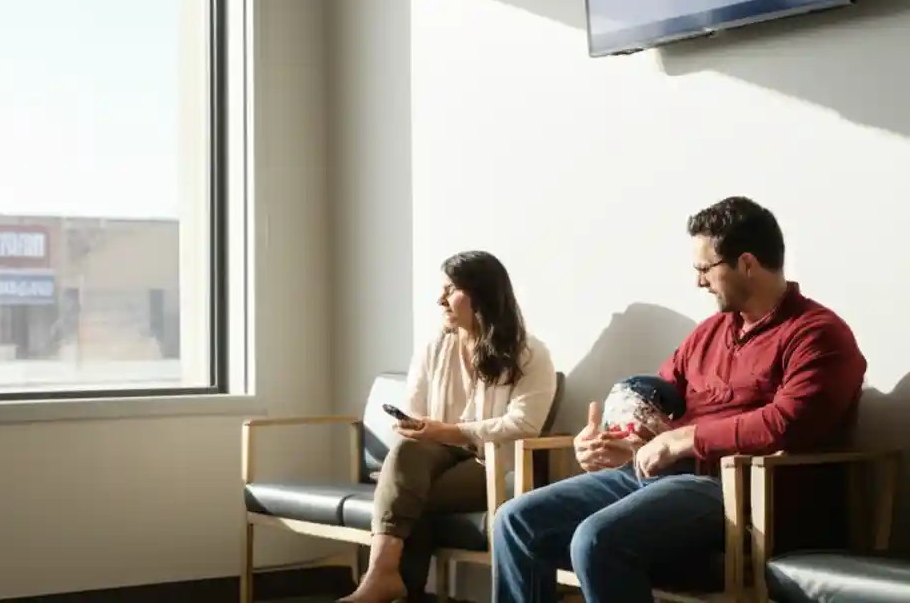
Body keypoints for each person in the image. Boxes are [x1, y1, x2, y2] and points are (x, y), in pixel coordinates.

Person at [491, 196, 868, 603]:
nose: (699, 282)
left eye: (705, 269)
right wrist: (618, 442)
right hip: (666, 476)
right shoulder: (708, 333)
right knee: (515, 520)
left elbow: (788, 422)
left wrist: (683, 439)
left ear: (746, 264)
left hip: (734, 487)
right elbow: (663, 397)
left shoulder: (817, 334)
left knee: (597, 540)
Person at [340, 251, 557, 603]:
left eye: (451, 289)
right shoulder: (433, 347)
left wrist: (449, 434)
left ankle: (383, 582)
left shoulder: (530, 353)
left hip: (495, 465)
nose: (440, 299)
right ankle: (384, 579)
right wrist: (422, 433)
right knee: (408, 455)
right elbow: (415, 412)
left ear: (482, 294)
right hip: (437, 457)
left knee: (407, 496)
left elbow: (525, 424)